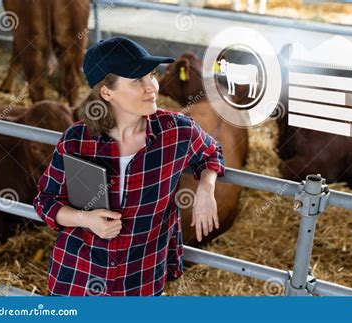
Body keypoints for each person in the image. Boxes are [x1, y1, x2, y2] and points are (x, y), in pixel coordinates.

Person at [33, 37, 225, 296]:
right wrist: (85, 219)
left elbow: (211, 153)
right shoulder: (77, 139)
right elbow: (45, 201)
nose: (152, 87)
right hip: (77, 276)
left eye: (152, 75)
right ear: (106, 92)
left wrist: (206, 186)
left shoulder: (178, 131)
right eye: (137, 80)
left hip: (140, 280)